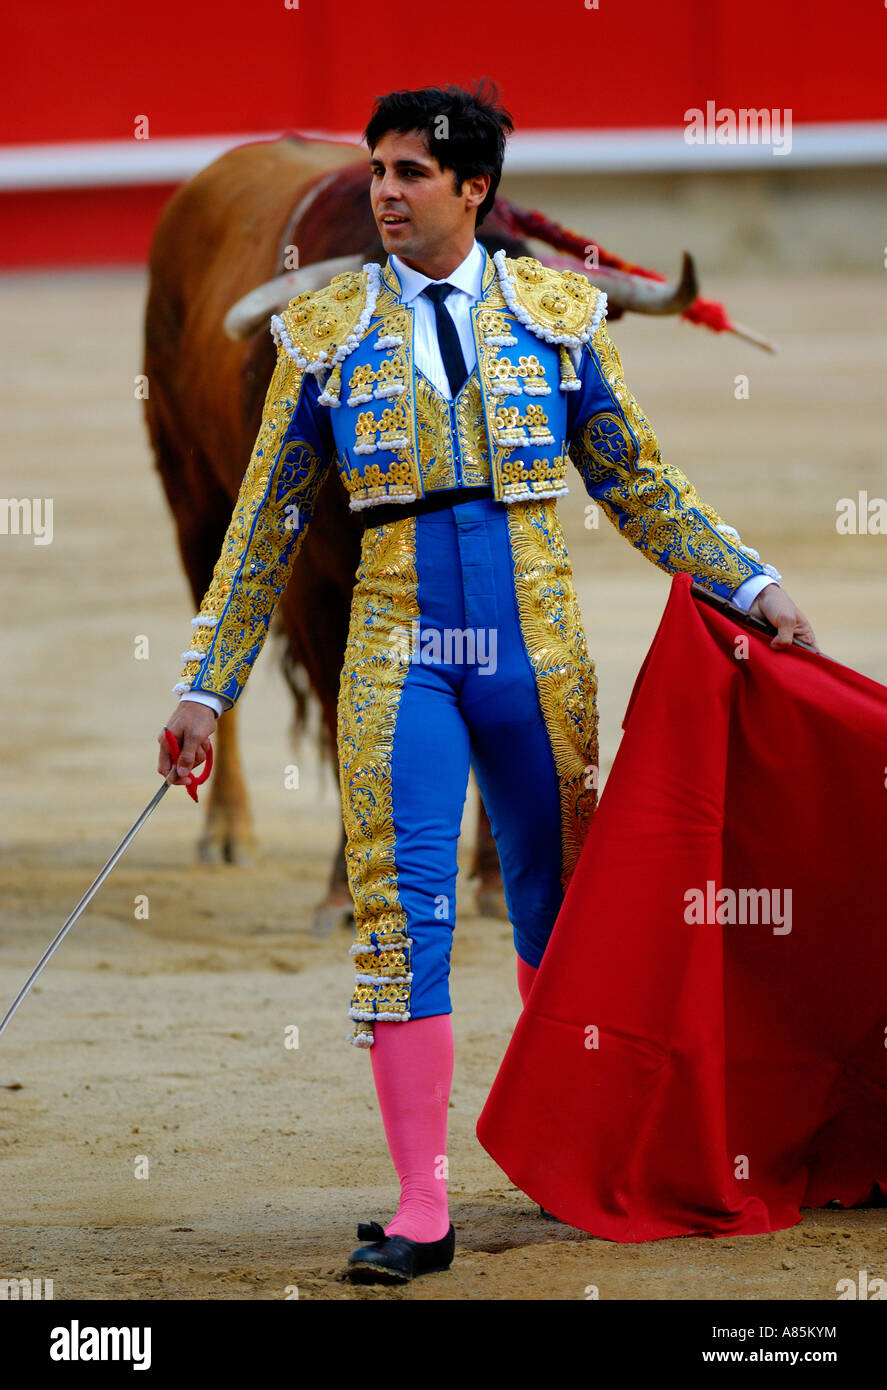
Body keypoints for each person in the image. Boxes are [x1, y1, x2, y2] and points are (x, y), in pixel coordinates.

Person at [157, 81, 816, 1283]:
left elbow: (639, 489)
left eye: (410, 172)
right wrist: (205, 687)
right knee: (398, 915)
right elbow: (261, 531)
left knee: (557, 915)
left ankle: (569, 1161)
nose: (384, 191)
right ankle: (421, 1207)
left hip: (534, 652)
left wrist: (753, 583)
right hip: (398, 651)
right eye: (376, 169)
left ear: (474, 190)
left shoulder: (557, 314)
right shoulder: (324, 329)